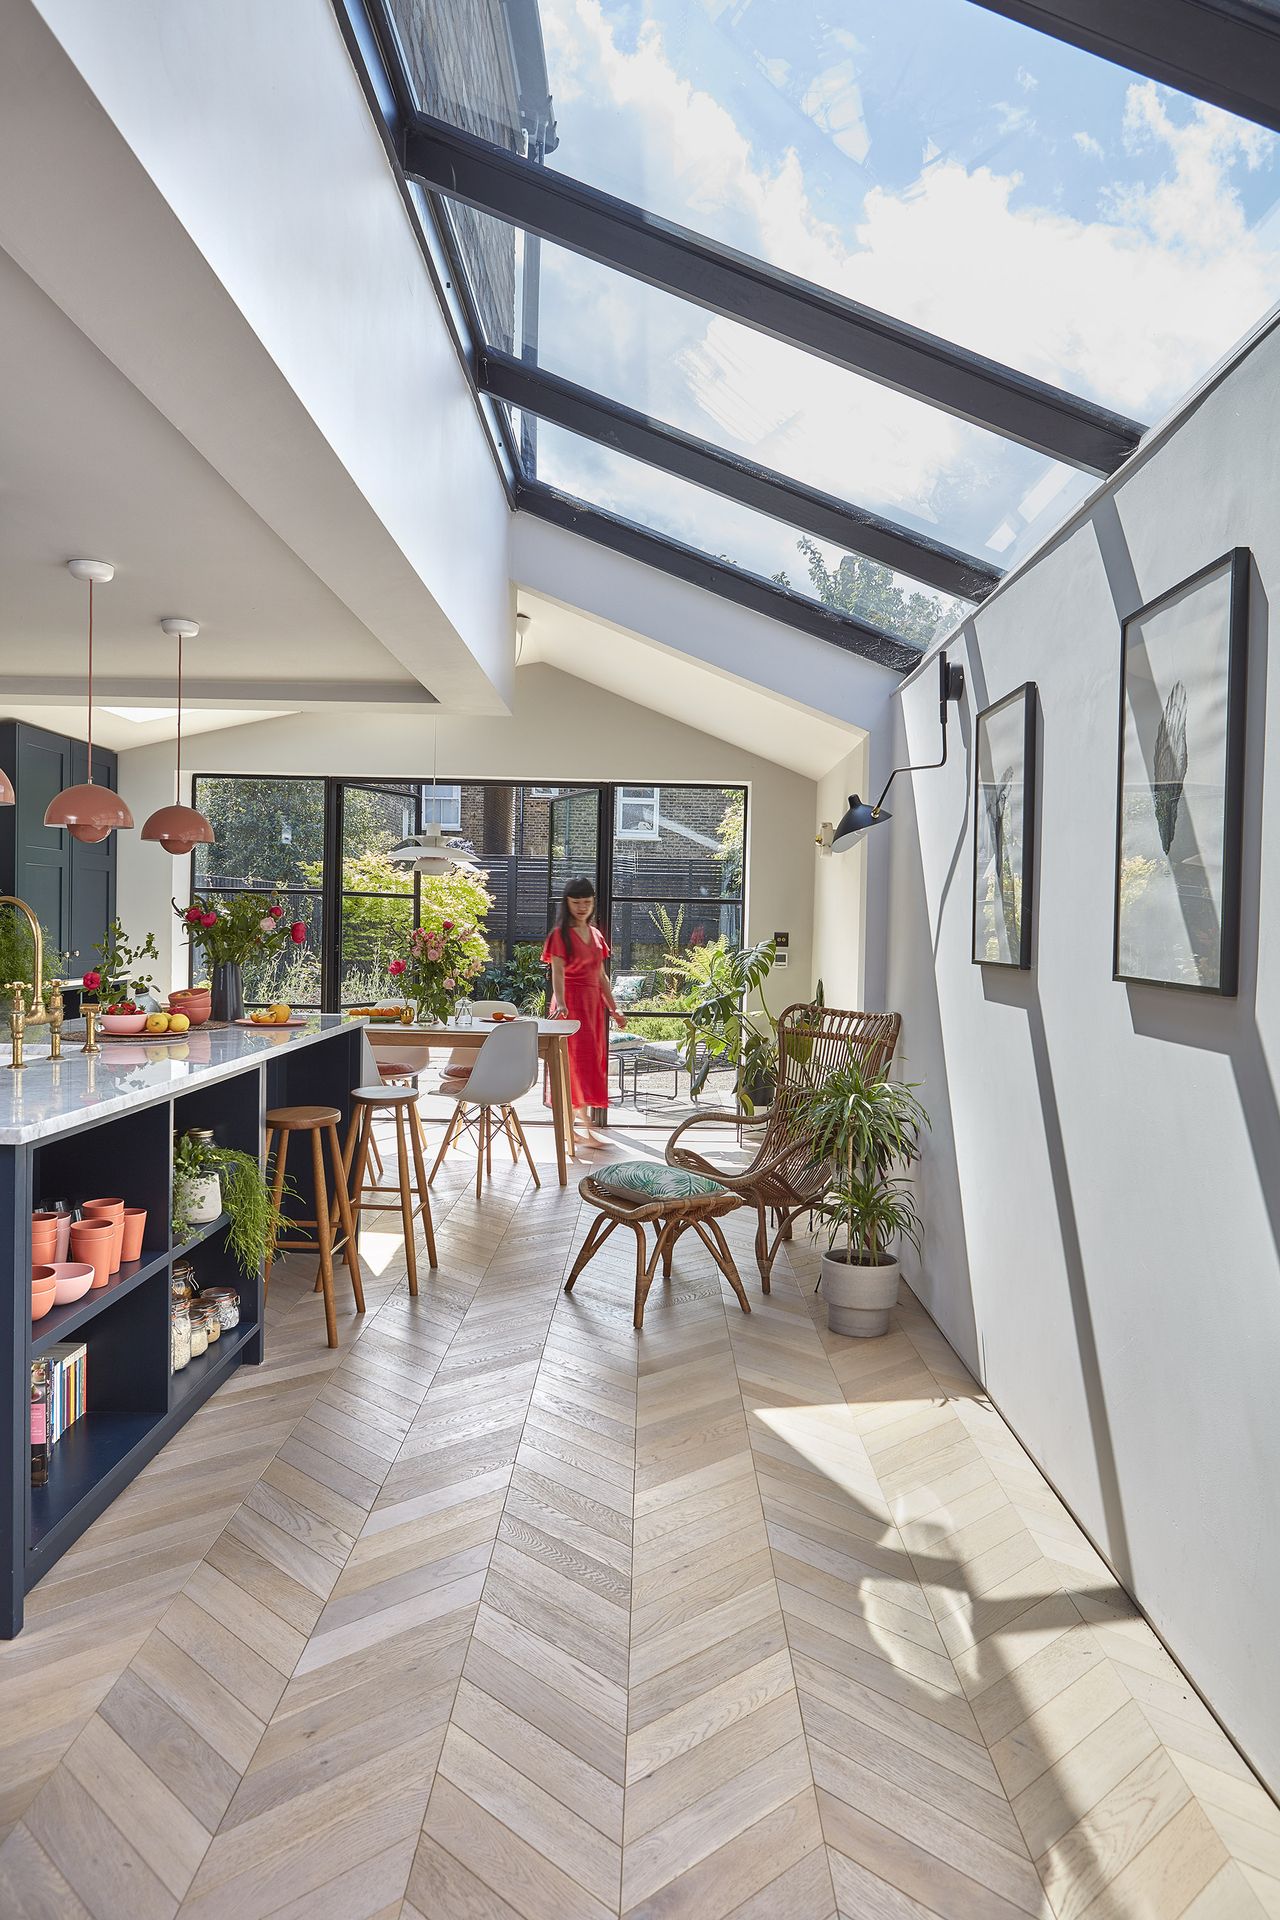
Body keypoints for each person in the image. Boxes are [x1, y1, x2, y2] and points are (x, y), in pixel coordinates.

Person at [542, 878, 626, 1134]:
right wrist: (563, 1002)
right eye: (576, 902)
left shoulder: (596, 935)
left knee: (589, 1063)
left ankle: (583, 1126)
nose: (582, 907)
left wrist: (614, 1008)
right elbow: (556, 973)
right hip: (568, 1005)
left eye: (587, 902)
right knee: (570, 1064)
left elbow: (601, 977)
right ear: (567, 903)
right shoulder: (559, 935)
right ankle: (571, 1128)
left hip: (591, 1007)